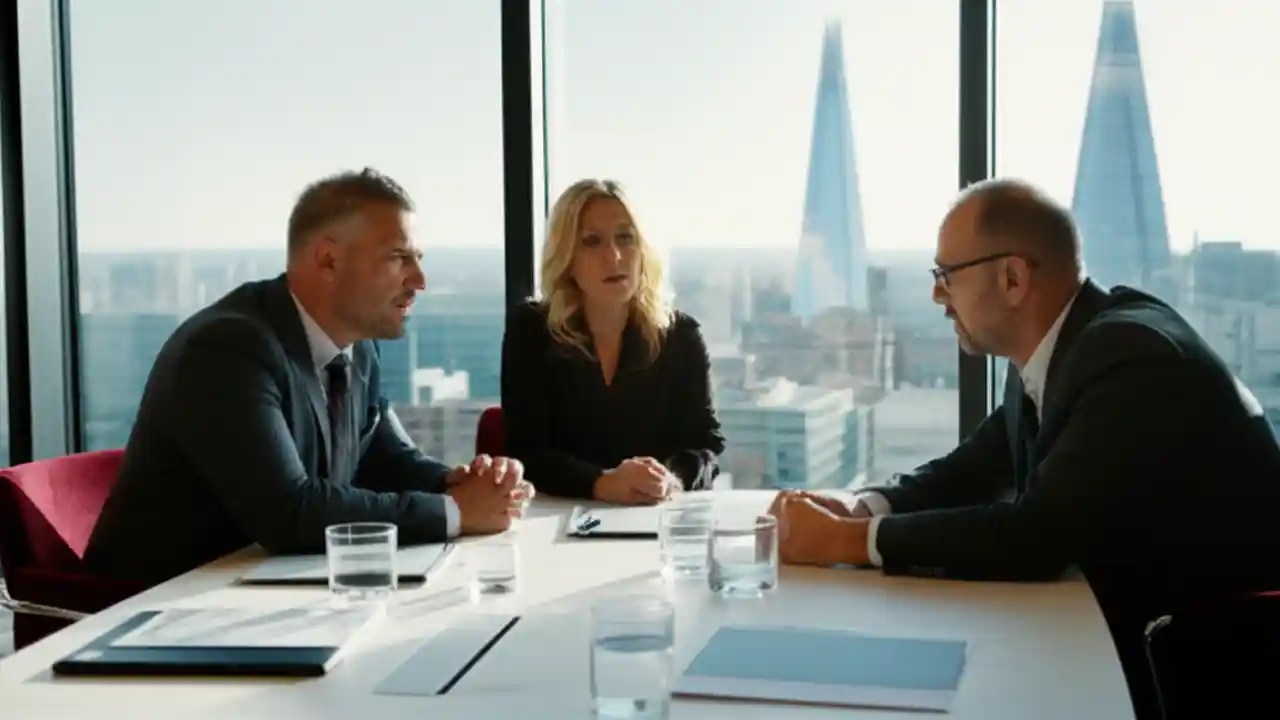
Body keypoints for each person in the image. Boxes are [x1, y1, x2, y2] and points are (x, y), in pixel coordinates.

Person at [769, 178, 1280, 718]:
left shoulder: (1128, 355)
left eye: (945, 276)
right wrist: (863, 506)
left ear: (1012, 278)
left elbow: (1037, 537)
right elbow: (973, 468)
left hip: (1224, 671)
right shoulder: (1067, 347)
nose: (937, 297)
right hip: (1147, 639)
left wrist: (848, 542)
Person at [85, 169, 532, 583]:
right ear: (328, 260)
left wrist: (460, 484)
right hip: (162, 607)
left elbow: (385, 458)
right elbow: (287, 511)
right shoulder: (227, 348)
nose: (420, 280)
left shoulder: (358, 346)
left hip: (268, 587)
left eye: (418, 258)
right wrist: (454, 513)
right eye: (399, 258)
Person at [501, 179, 725, 504]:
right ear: (567, 258)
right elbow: (526, 452)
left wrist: (672, 479)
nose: (614, 256)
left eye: (625, 238)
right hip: (559, 517)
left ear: (643, 250)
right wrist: (602, 483)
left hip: (654, 513)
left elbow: (705, 444)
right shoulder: (531, 330)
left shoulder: (681, 336)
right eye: (592, 241)